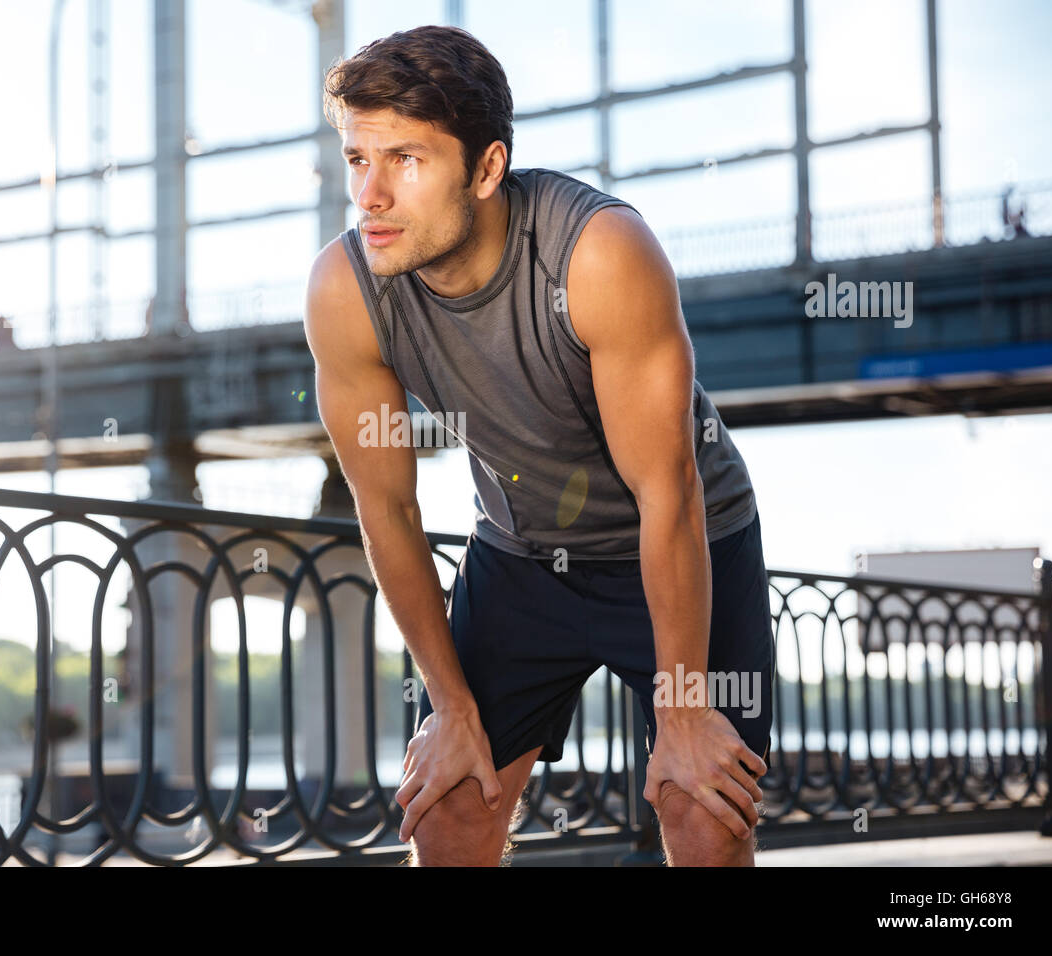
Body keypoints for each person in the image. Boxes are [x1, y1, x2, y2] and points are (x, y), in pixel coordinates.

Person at [303, 25, 773, 867]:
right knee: (447, 810)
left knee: (700, 812)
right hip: (523, 555)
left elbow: (668, 493)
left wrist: (685, 711)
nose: (369, 194)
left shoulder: (599, 255)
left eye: (405, 160)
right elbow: (388, 507)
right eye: (356, 160)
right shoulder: (345, 291)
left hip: (677, 538)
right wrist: (449, 708)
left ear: (486, 169)